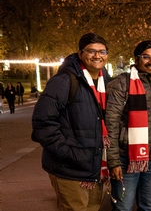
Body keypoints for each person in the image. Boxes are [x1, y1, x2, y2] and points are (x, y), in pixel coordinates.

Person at [31, 33, 111, 211]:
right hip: (70, 168)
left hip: (95, 165)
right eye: (91, 51)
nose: (97, 56)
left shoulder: (104, 80)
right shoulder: (64, 80)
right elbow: (42, 121)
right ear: (80, 53)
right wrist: (68, 153)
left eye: (102, 51)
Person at [106, 40, 151, 211]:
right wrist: (113, 161)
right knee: (123, 207)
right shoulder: (122, 83)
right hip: (126, 157)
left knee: (149, 206)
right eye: (146, 57)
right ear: (136, 59)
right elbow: (111, 123)